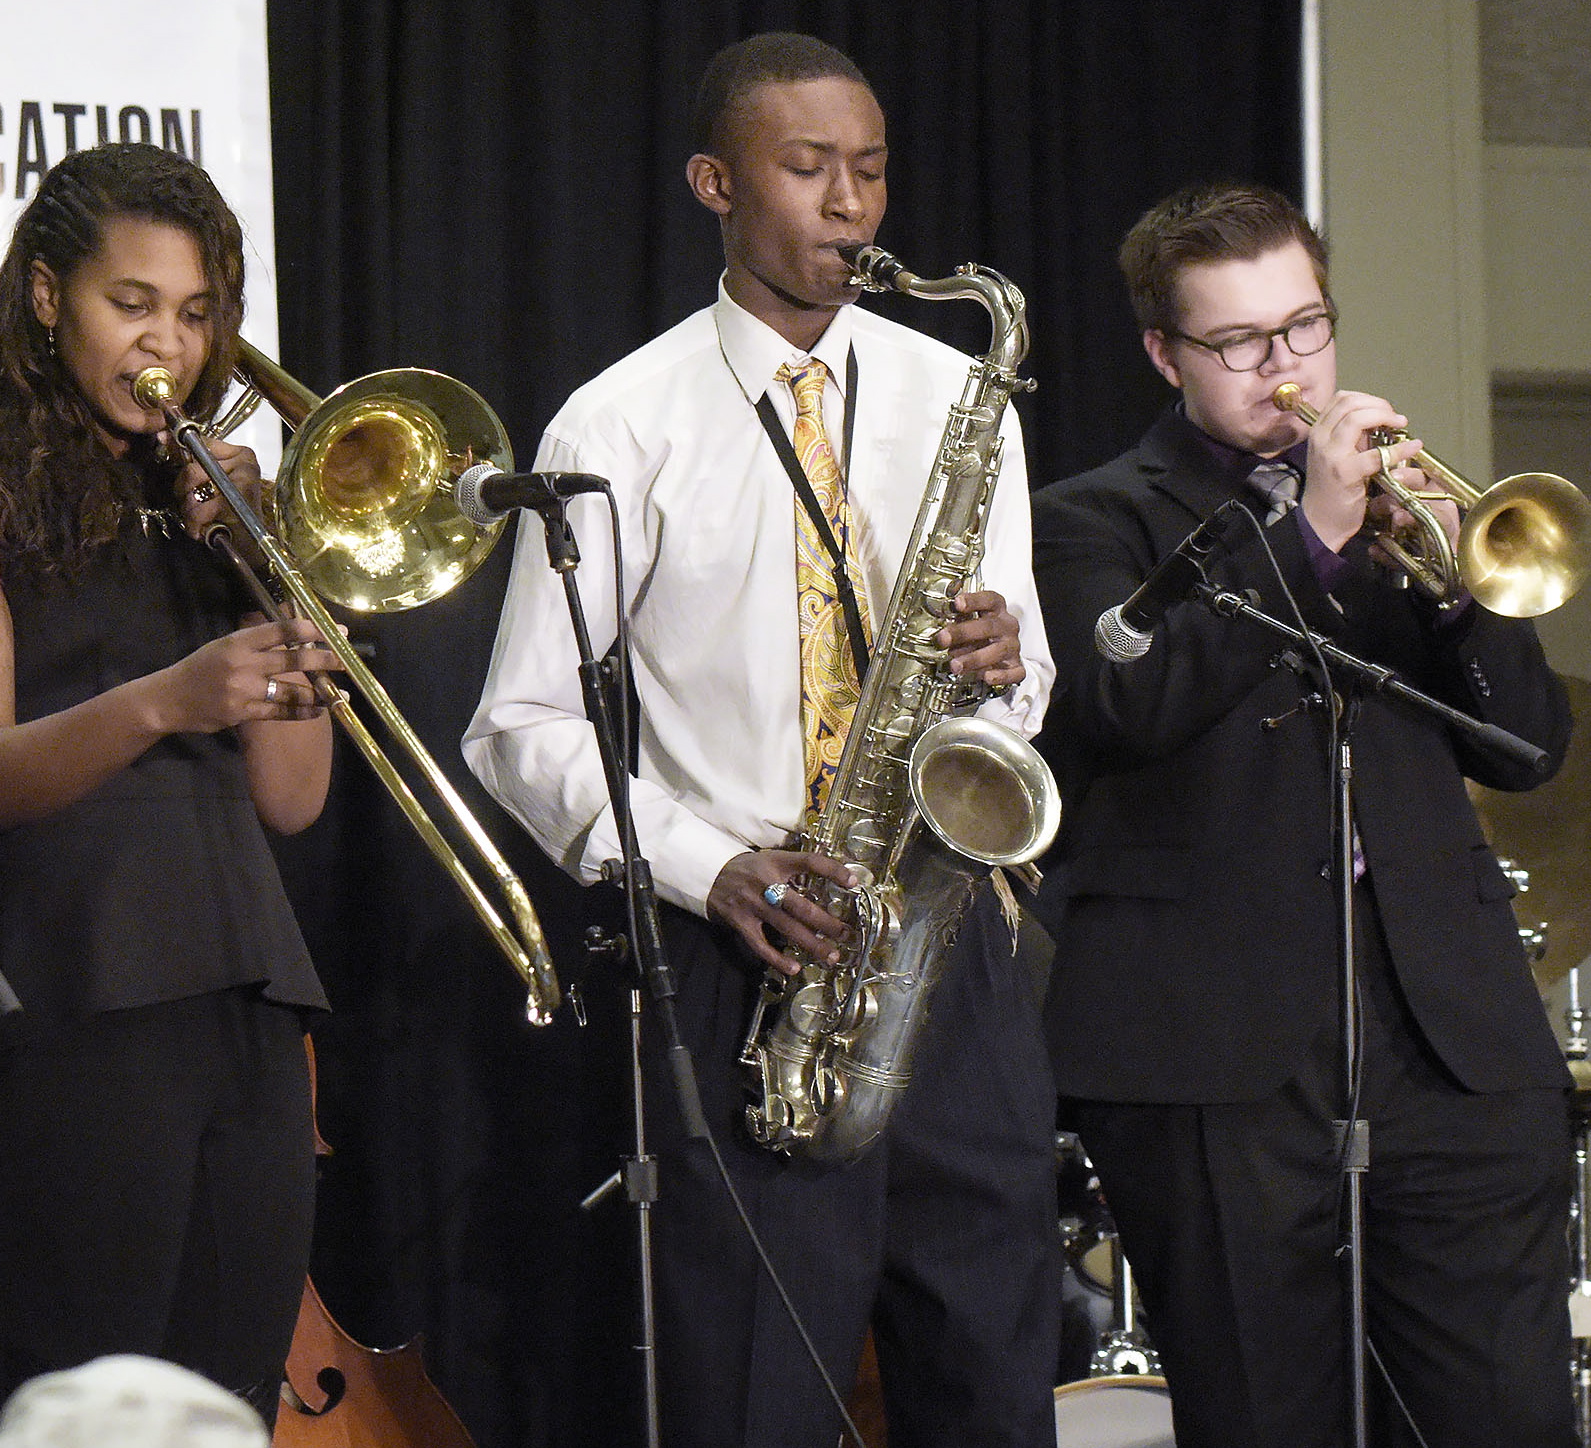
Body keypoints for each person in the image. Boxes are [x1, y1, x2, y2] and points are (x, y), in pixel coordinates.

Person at [464, 33, 1060, 1448]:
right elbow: (516, 726)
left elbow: (1017, 689)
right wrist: (701, 867)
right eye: (807, 169)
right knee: (752, 1400)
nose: (849, 205)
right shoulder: (620, 421)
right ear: (714, 183)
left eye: (868, 169)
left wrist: (1000, 667)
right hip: (750, 947)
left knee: (991, 1385)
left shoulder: (955, 394)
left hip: (948, 945)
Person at [1031, 181, 1576, 1447]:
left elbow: (1531, 750)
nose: (1286, 369)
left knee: (1509, 1416)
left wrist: (1460, 593)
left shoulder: (1396, 514)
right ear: (1167, 354)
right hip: (1212, 1052)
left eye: (1306, 328)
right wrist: (1316, 537)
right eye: (1240, 343)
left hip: (1450, 1035)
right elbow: (1128, 702)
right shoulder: (1089, 519)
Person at [0, 141, 337, 1422]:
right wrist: (166, 699)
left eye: (196, 315)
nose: (169, 345)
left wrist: (267, 562)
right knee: (84, 1412)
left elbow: (294, 797)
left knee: (227, 1407)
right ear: (44, 296)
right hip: (72, 997)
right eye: (130, 303)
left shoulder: (210, 510)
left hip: (247, 996)